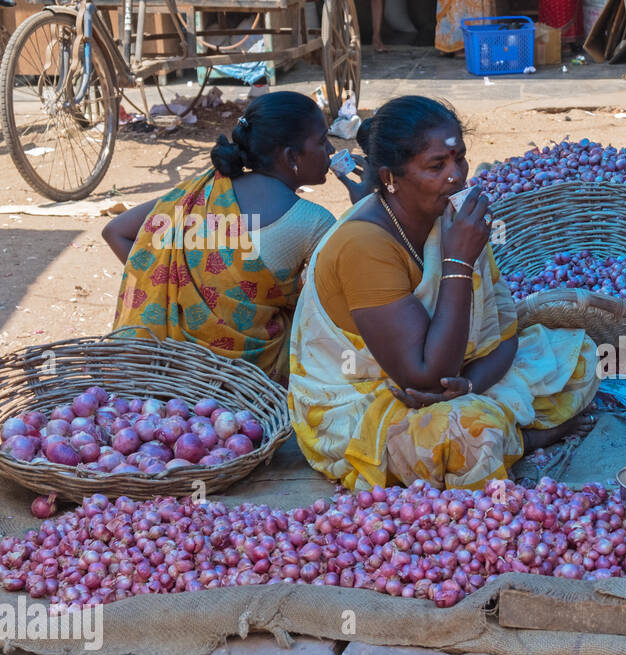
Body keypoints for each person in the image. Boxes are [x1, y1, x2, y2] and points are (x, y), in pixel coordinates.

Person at [288, 95, 599, 491]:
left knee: (576, 359)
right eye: (437, 166)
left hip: (451, 372)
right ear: (389, 178)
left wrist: (469, 387)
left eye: (460, 159)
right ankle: (525, 439)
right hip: (362, 400)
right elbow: (425, 378)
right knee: (466, 433)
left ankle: (503, 431)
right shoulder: (365, 244)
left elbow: (503, 336)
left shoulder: (452, 218)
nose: (457, 176)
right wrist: (457, 262)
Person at [104, 91, 363, 384]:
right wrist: (370, 206)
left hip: (175, 378)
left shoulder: (204, 191)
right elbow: (347, 299)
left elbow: (116, 231)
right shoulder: (312, 221)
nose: (330, 149)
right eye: (321, 141)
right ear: (291, 156)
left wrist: (172, 283)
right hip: (257, 383)